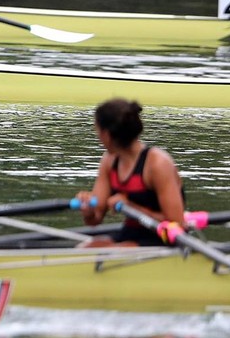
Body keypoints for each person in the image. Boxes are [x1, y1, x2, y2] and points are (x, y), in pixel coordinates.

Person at [74, 98, 186, 247]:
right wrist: (88, 211)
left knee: (114, 252)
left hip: (164, 237)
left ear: (106, 134)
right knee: (87, 247)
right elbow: (95, 220)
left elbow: (176, 223)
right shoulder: (109, 161)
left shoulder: (157, 164)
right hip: (131, 233)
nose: (97, 137)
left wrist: (131, 206)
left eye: (97, 130)